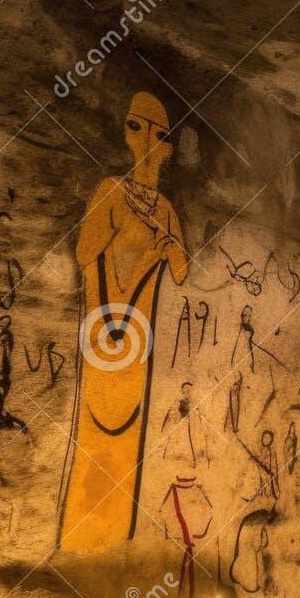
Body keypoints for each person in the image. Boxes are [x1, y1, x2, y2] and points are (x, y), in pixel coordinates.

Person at [57, 92, 188, 551]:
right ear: (129, 133)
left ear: (167, 146)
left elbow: (182, 269)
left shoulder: (166, 209)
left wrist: (167, 246)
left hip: (140, 330)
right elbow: (85, 252)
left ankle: (113, 532)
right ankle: (82, 532)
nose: (149, 142)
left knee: (129, 425)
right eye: (138, 128)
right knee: (97, 420)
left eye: (159, 134)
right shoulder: (112, 191)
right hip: (106, 320)